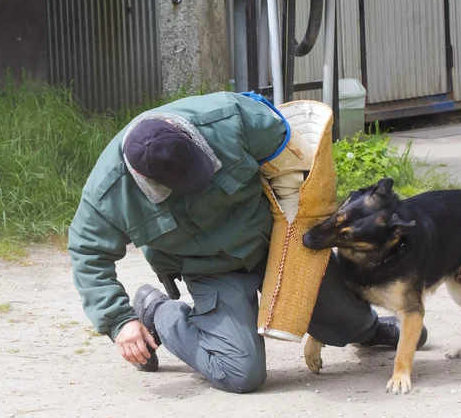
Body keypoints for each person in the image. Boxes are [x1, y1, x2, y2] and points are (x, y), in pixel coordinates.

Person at [67, 91, 428, 394]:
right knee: (241, 374)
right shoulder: (108, 194)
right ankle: (158, 312)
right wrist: (119, 320)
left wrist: (300, 219)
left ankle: (366, 329)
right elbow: (87, 253)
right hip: (209, 267)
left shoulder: (231, 117)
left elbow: (297, 154)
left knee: (349, 323)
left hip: (275, 241)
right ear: (148, 182)